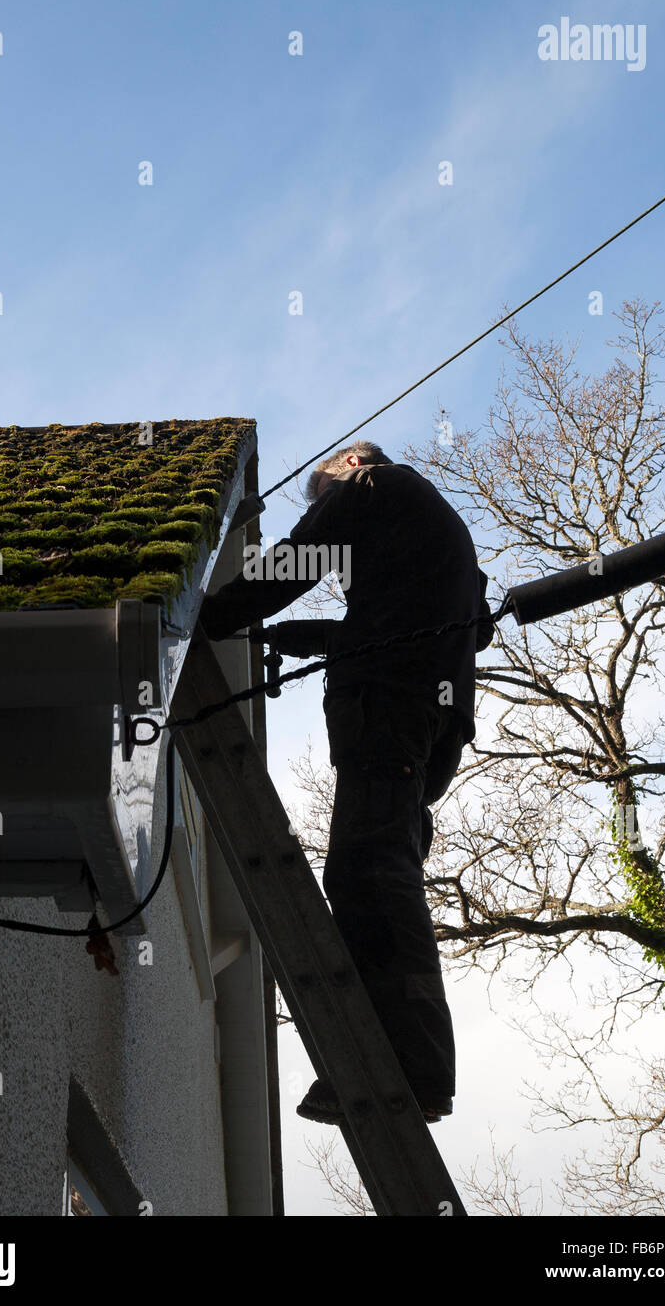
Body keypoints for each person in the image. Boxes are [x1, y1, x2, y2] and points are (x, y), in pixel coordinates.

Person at [198, 440, 493, 1124]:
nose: (323, 511)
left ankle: (410, 1066)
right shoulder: (435, 534)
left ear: (352, 465)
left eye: (323, 495)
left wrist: (206, 619)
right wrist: (302, 638)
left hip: (387, 708)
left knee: (370, 871)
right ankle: (397, 1057)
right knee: (375, 869)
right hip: (421, 719)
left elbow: (298, 562)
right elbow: (401, 626)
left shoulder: (373, 488)